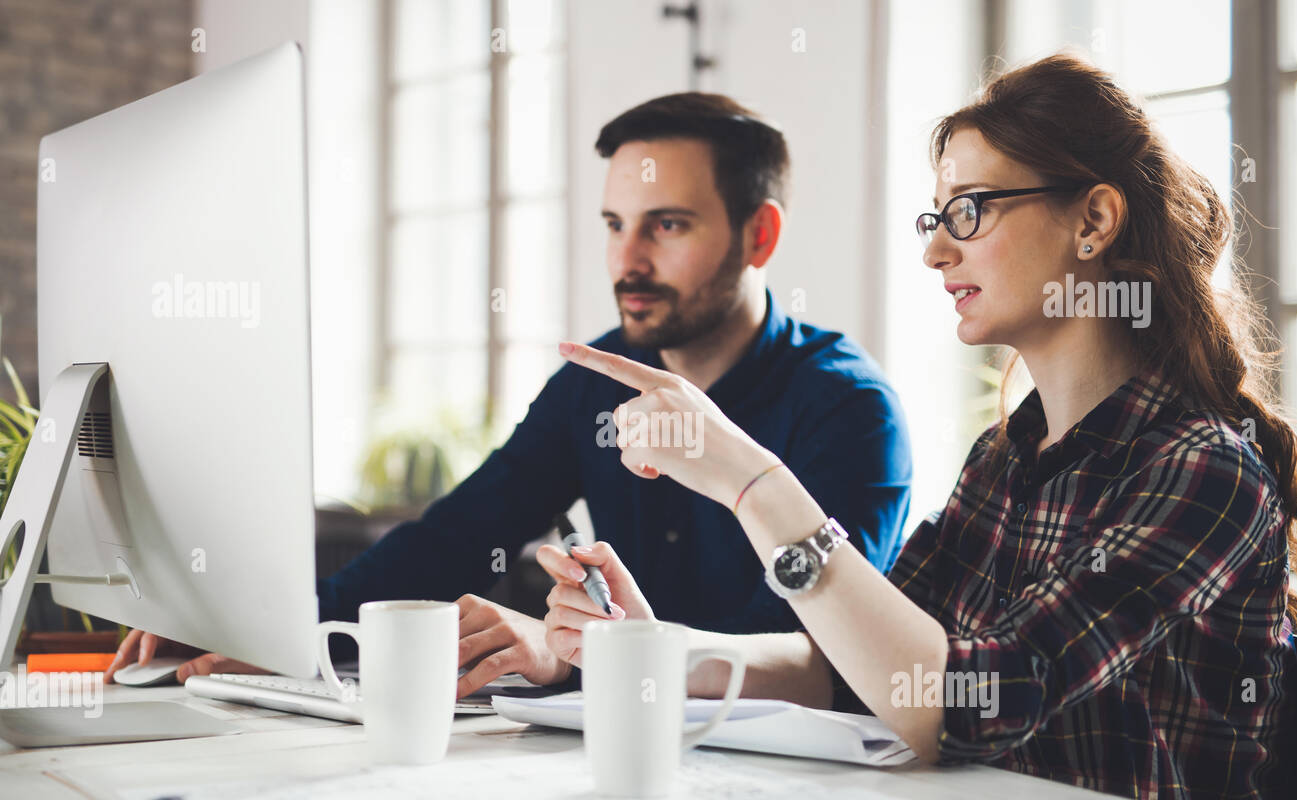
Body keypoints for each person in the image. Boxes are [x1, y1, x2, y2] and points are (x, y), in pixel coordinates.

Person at [535, 54, 1297, 800]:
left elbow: (970, 703)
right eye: (935, 219)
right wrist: (653, 650)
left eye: (970, 211)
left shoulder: (1205, 471)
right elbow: (856, 670)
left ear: (1093, 221)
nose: (937, 251)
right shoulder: (1003, 461)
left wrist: (750, 479)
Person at [106, 93, 912, 711]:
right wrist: (282, 637)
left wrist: (579, 651)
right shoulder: (596, 380)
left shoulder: (849, 410)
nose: (626, 260)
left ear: (759, 236)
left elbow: (819, 659)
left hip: (796, 789)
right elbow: (458, 532)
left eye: (665, 225)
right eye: (613, 224)